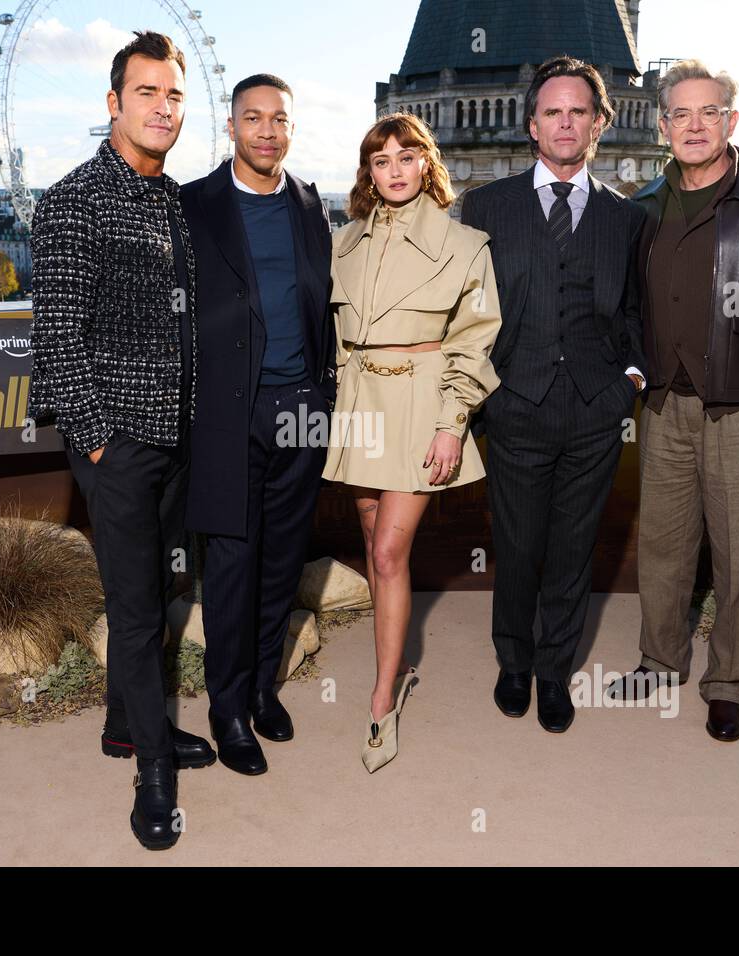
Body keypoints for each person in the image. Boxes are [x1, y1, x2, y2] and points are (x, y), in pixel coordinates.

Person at [27, 31, 214, 852]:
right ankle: (151, 774)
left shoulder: (173, 201)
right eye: (147, 93)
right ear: (113, 103)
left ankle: (121, 727)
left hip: (174, 435)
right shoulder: (73, 200)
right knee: (137, 610)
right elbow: (57, 339)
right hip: (120, 445)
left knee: (158, 596)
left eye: (174, 95)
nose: (163, 108)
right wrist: (101, 446)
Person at [608, 60, 739, 742]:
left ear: (730, 121)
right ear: (663, 124)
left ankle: (730, 682)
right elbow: (626, 308)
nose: (694, 126)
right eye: (680, 114)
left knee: (736, 552)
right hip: (666, 405)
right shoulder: (646, 204)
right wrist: (638, 375)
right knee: (664, 546)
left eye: (709, 113)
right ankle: (659, 660)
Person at [460, 55, 648, 735]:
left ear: (599, 125)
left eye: (579, 112)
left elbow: (636, 314)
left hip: (597, 414)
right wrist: (485, 397)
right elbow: (463, 312)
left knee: (574, 550)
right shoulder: (484, 207)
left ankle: (552, 672)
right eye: (552, 112)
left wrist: (629, 382)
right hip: (515, 407)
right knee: (517, 546)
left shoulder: (625, 220)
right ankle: (512, 661)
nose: (565, 123)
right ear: (533, 125)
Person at [324, 112, 501, 773]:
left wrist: (450, 423)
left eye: (406, 157)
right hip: (361, 408)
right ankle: (390, 665)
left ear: (427, 164)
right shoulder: (344, 244)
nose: (394, 170)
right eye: (381, 160)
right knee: (375, 551)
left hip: (421, 405)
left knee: (392, 552)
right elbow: (336, 339)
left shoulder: (467, 246)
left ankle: (380, 696)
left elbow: (476, 340)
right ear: (368, 173)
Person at [179, 74, 334, 775]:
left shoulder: (308, 204)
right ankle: (226, 708)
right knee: (234, 570)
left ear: (290, 130)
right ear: (232, 127)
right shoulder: (194, 206)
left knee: (280, 565)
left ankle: (263, 690)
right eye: (253, 118)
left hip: (301, 412)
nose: (267, 130)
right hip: (228, 418)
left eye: (279, 119)